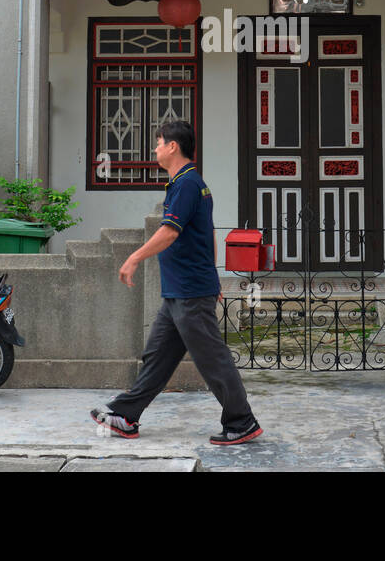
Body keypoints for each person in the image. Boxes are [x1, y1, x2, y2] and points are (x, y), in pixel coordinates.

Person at [91, 121, 262, 445]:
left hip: (190, 291)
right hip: (180, 291)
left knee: (212, 358)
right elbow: (207, 233)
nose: (154, 148)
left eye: (158, 142)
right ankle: (126, 416)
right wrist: (213, 277)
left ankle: (241, 421)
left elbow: (170, 232)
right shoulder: (188, 184)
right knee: (157, 355)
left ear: (173, 146)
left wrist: (133, 258)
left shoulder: (187, 184)